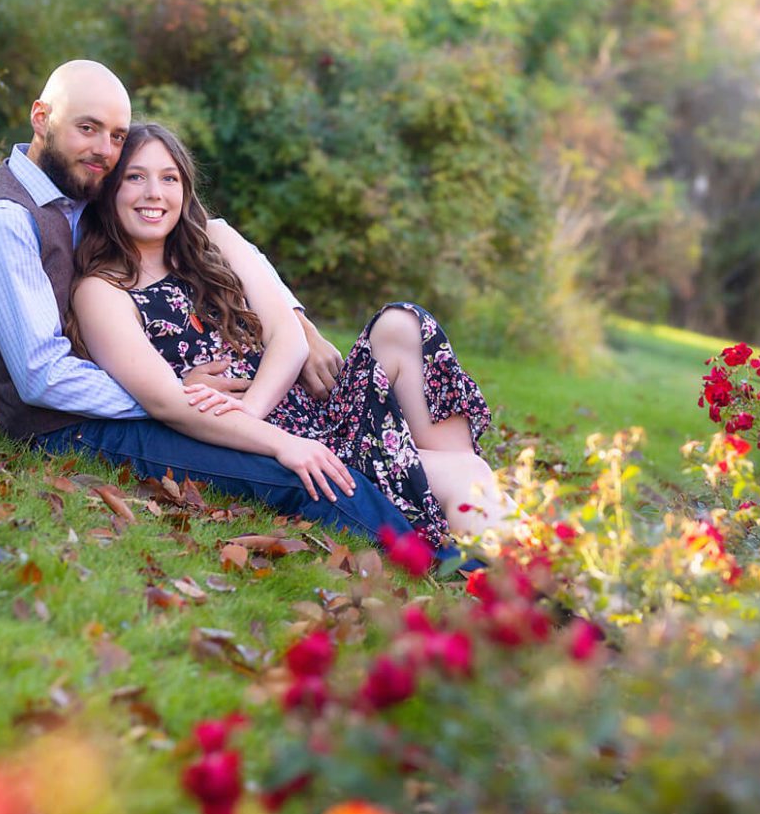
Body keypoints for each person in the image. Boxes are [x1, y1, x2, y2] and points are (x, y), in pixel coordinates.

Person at [0, 59, 421, 544]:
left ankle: (436, 529)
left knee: (308, 441)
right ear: (41, 118)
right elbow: (42, 377)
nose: (105, 149)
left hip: (144, 395)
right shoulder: (4, 221)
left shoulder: (77, 184)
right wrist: (170, 396)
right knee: (285, 469)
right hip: (67, 427)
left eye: (116, 135)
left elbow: (201, 227)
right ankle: (433, 561)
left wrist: (298, 323)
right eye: (88, 128)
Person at [69, 122, 510, 539]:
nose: (154, 194)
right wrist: (276, 440)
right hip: (276, 439)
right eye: (135, 178)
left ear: (184, 188)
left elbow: (289, 336)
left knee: (404, 323)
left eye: (169, 178)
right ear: (110, 190)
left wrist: (253, 407)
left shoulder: (214, 239)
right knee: (467, 477)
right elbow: (167, 402)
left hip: (300, 407)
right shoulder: (102, 291)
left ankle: (464, 513)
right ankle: (504, 566)